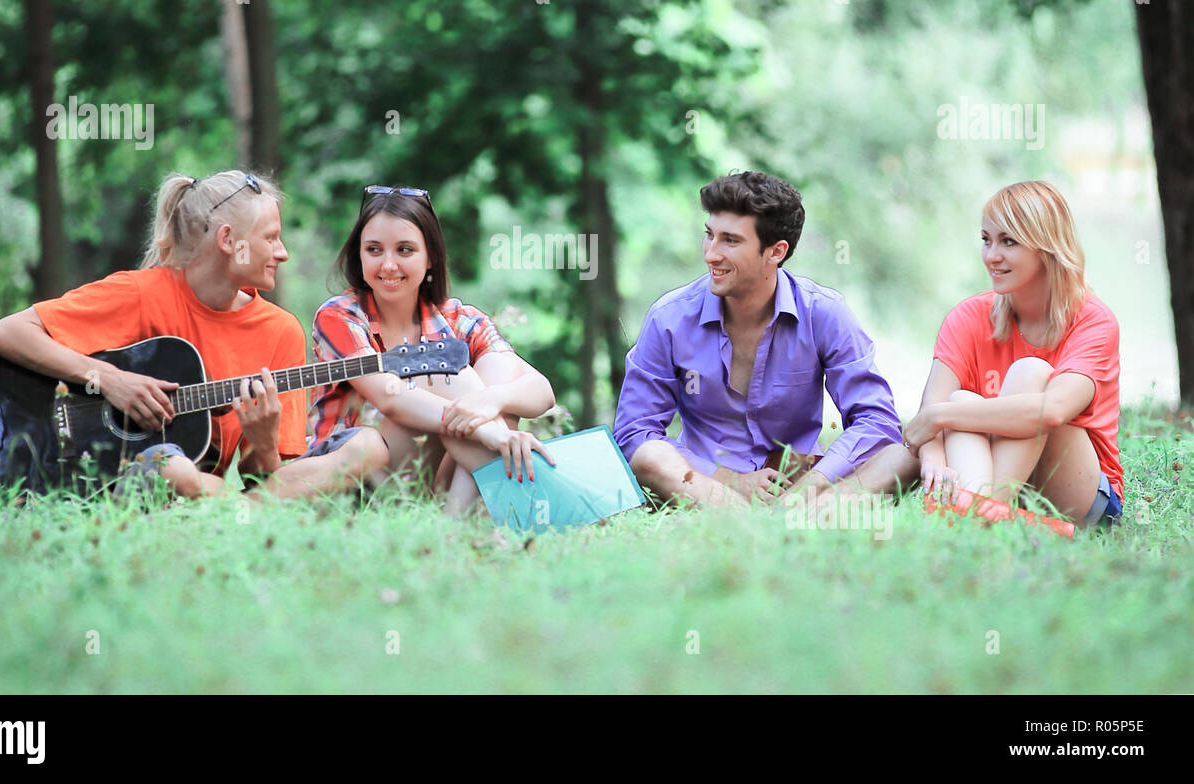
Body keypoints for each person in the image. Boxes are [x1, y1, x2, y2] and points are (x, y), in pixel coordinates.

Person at [0, 170, 389, 500]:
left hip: (210, 488)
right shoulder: (142, 293)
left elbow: (264, 479)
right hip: (149, 472)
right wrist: (110, 379)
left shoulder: (280, 330)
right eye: (271, 238)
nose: (283, 252)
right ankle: (234, 512)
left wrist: (264, 444)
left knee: (367, 447)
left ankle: (233, 513)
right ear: (229, 240)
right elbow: (6, 333)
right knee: (172, 468)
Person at [613, 170, 914, 508]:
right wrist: (727, 479)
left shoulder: (823, 313)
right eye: (709, 235)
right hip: (705, 484)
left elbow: (877, 421)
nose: (711, 254)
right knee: (650, 456)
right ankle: (744, 520)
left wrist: (815, 482)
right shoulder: (669, 317)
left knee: (900, 457)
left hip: (799, 484)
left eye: (730, 240)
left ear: (775, 252)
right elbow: (634, 433)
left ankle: (804, 513)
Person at [308, 185, 556, 512]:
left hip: (432, 481)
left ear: (431, 258)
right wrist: (488, 431)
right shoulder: (339, 316)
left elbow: (541, 391)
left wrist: (490, 401)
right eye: (374, 250)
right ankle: (527, 506)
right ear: (360, 255)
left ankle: (457, 524)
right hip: (359, 477)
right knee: (446, 378)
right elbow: (389, 397)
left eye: (405, 250)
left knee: (499, 381)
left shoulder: (458, 318)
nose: (388, 265)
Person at [900, 180, 1121, 527]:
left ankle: (974, 518)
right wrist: (932, 458)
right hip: (994, 481)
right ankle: (983, 520)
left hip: (1077, 495)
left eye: (1009, 241)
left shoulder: (1093, 321)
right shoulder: (968, 317)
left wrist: (943, 417)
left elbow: (1052, 411)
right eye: (986, 240)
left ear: (1046, 248)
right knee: (958, 402)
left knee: (1030, 373)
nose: (992, 256)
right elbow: (932, 411)